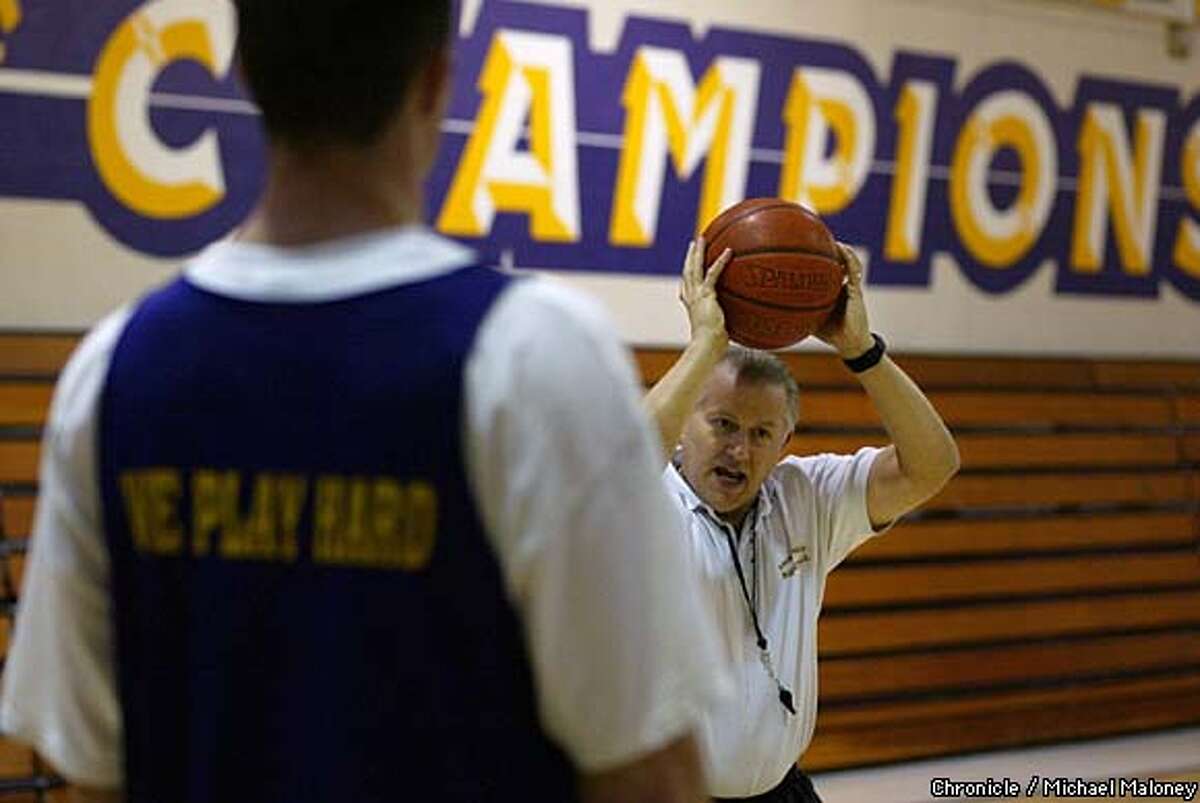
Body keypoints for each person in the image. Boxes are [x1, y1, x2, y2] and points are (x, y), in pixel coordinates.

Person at [0, 4, 733, 802]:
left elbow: (92, 779)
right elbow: (651, 778)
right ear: (435, 81)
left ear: (243, 70)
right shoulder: (536, 354)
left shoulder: (109, 373)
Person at [644, 237, 961, 802]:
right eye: (722, 424)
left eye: (760, 433)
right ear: (687, 421)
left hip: (782, 791)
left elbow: (934, 465)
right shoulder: (643, 502)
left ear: (785, 442)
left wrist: (861, 349)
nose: (739, 449)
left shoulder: (804, 495)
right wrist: (707, 343)